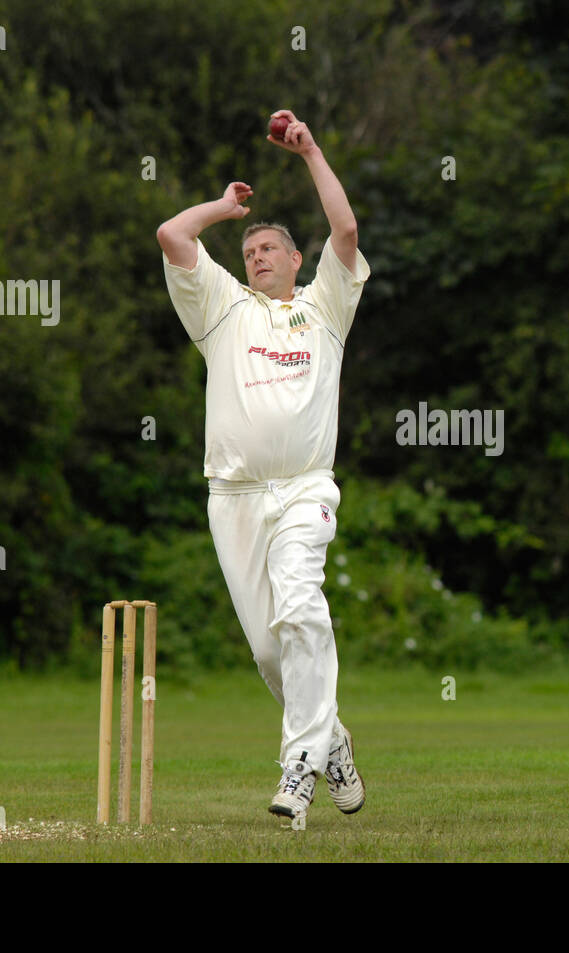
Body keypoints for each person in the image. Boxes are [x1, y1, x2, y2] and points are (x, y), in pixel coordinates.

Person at [155, 109, 369, 822]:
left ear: (296, 260)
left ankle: (297, 771)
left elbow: (346, 230)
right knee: (271, 654)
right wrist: (224, 206)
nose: (258, 256)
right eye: (250, 251)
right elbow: (172, 236)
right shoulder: (222, 309)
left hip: (305, 489)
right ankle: (330, 738)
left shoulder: (325, 308)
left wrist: (308, 150)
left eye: (270, 247)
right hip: (235, 497)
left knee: (304, 609)